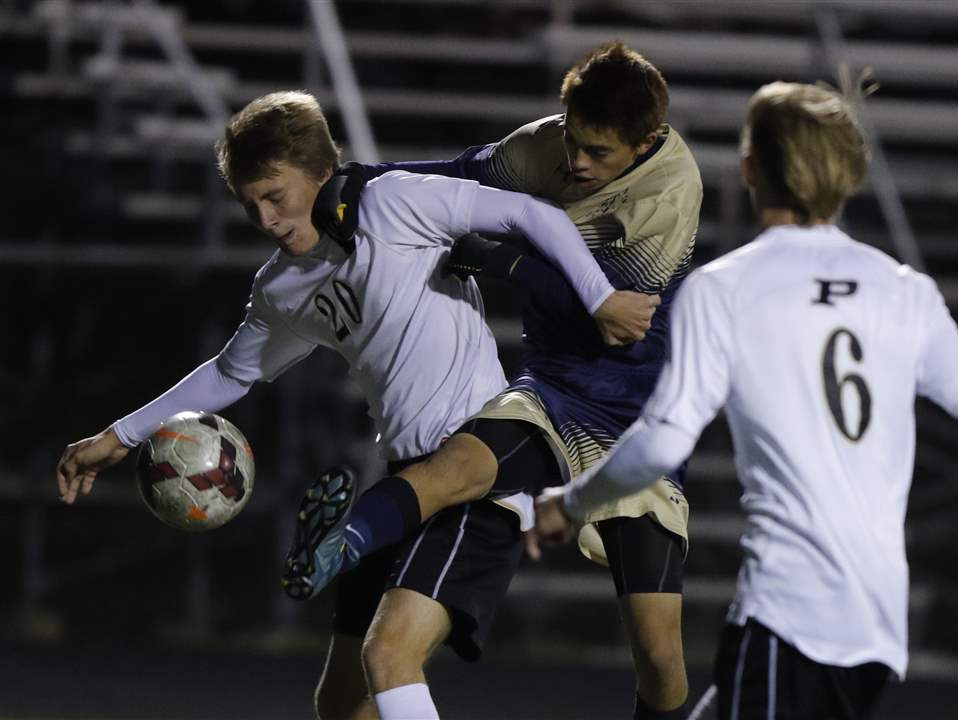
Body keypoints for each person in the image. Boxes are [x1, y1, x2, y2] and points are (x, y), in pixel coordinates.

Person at [53, 90, 658, 720]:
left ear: (321, 173)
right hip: (403, 481)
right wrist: (118, 437)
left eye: (275, 196)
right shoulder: (283, 286)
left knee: (389, 656)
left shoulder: (393, 202)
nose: (265, 219)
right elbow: (232, 372)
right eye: (250, 205)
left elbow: (531, 214)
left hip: (480, 469)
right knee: (343, 701)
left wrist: (599, 297)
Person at [534, 80, 958, 719]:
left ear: (750, 168)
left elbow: (664, 439)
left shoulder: (726, 288)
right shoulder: (902, 289)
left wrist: (570, 503)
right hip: (875, 622)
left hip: (792, 612)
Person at [287, 42, 703, 719]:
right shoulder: (546, 145)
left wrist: (495, 256)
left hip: (637, 418)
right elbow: (456, 177)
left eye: (598, 152)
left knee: (660, 659)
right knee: (454, 468)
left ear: (646, 142)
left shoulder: (670, 192)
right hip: (551, 390)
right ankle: (339, 544)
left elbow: (610, 317)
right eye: (573, 140)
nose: (576, 162)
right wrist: (365, 180)